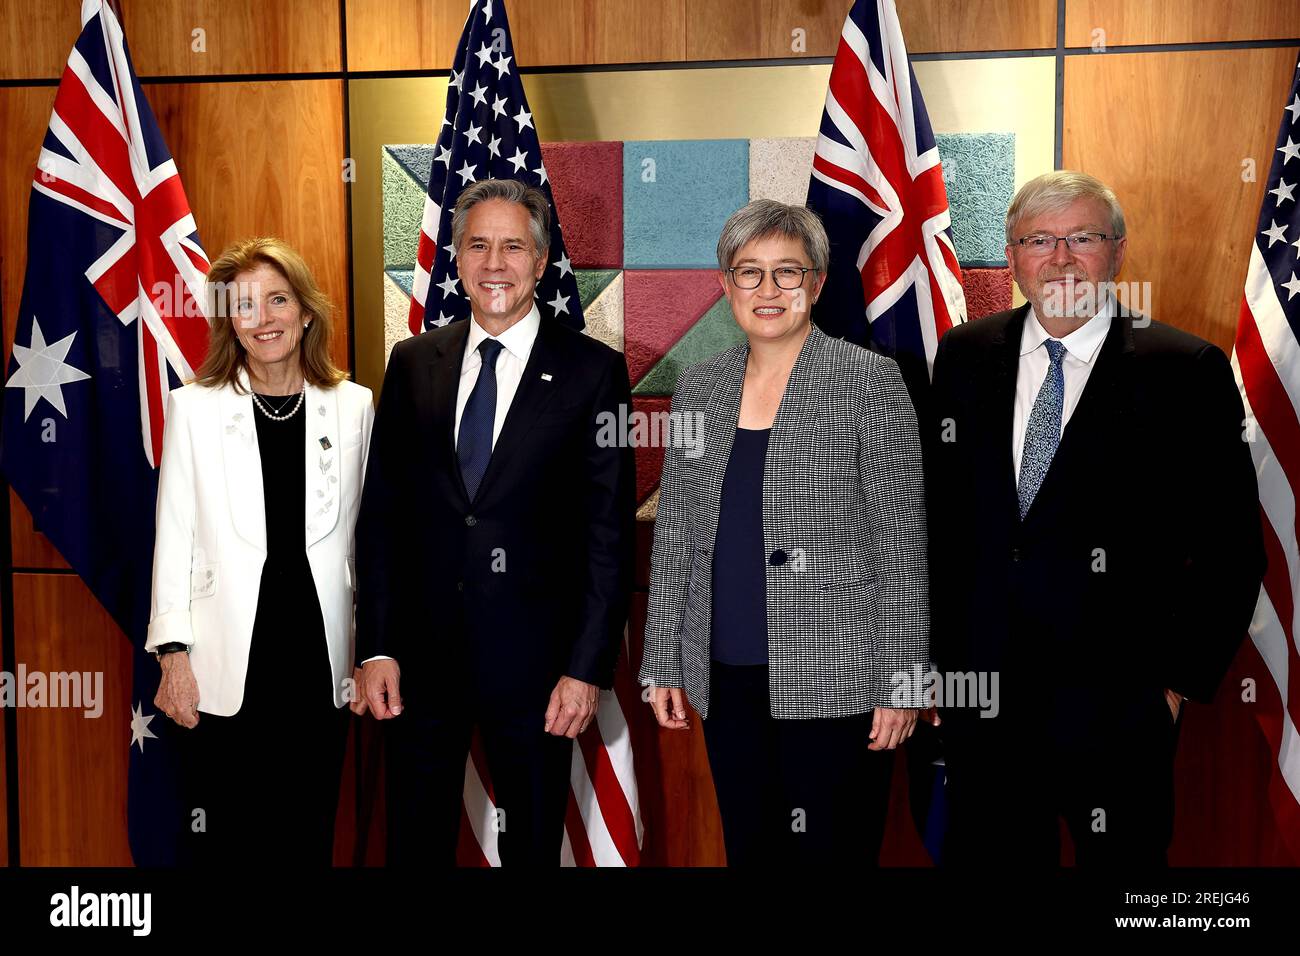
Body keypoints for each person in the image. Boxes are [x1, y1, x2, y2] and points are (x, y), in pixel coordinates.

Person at [926, 171, 1265, 866]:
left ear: (1117, 252)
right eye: (1039, 240)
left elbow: (1232, 551)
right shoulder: (963, 357)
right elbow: (939, 525)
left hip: (1120, 710)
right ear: (1013, 256)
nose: (1060, 258)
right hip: (981, 703)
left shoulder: (1184, 369)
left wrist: (1174, 685)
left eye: (1082, 238)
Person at [639, 199, 930, 866]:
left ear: (818, 283)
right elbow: (677, 532)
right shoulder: (700, 388)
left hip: (839, 680)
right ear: (725, 283)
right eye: (750, 273)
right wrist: (661, 660)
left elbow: (903, 545)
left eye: (787, 273)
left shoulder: (869, 381)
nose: (768, 291)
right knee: (753, 851)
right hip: (726, 675)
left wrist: (904, 681)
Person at [355, 178, 636, 866]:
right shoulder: (414, 362)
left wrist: (585, 668)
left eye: (513, 246)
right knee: (413, 845)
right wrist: (377, 646)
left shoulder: (593, 373)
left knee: (532, 848)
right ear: (456, 259)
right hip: (419, 667)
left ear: (541, 263)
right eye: (477, 245)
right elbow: (383, 516)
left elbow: (608, 534)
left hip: (540, 671)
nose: (494, 263)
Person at [147, 238, 374, 865]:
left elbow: (368, 541)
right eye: (245, 305)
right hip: (226, 662)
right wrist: (173, 655)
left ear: (306, 312)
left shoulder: (353, 406)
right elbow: (174, 535)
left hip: (319, 661)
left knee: (307, 835)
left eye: (279, 299)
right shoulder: (193, 408)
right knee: (226, 839)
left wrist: (373, 646)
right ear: (230, 321)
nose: (264, 318)